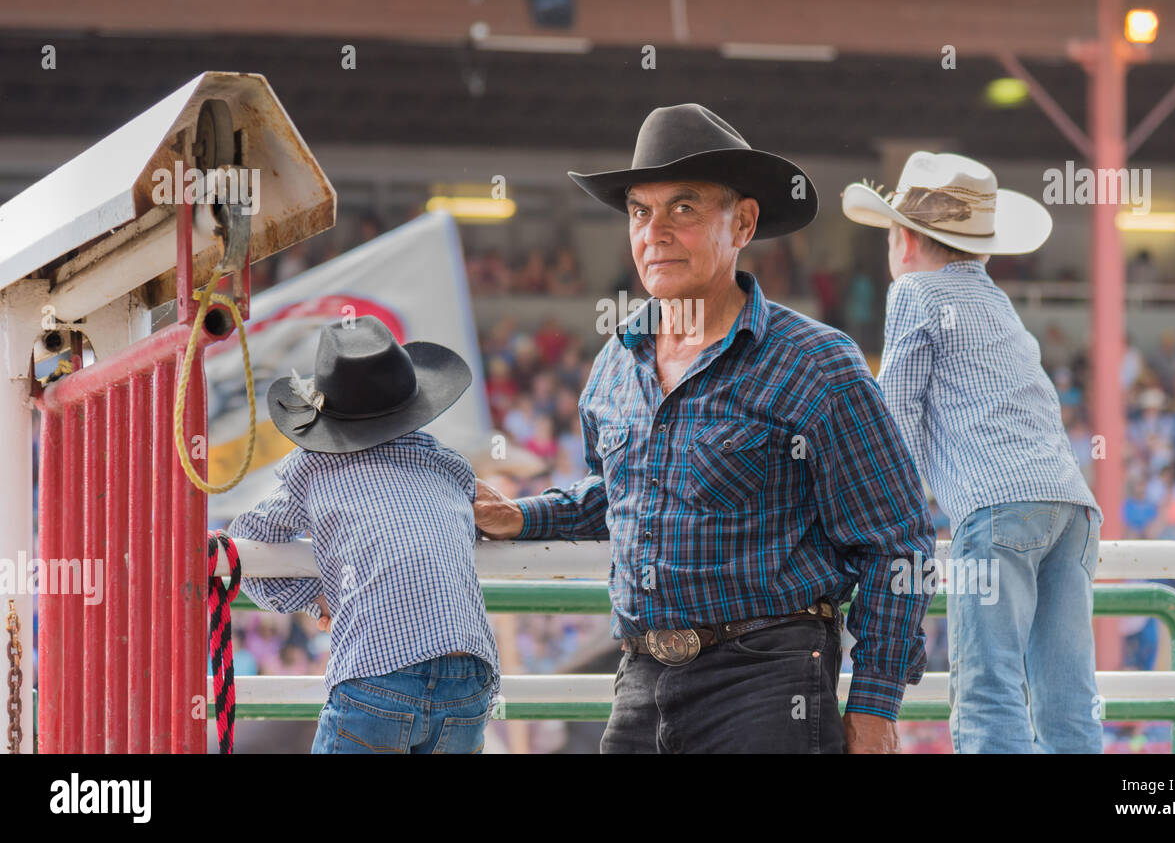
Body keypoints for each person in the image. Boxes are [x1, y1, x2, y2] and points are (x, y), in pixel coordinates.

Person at [474, 103, 935, 753]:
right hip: (638, 681)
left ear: (743, 221)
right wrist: (519, 516)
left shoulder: (815, 363)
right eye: (640, 210)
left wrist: (875, 702)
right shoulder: (616, 362)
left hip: (768, 682)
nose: (654, 231)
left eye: (683, 208)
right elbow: (619, 496)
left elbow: (899, 540)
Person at [843, 151, 1103, 753]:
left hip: (997, 506)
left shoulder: (914, 292)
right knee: (1068, 698)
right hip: (1072, 509)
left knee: (989, 690)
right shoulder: (998, 304)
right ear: (982, 249)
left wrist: (866, 522)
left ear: (903, 240)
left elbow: (896, 418)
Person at [226, 316, 500, 753]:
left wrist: (319, 597)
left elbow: (247, 545)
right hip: (468, 671)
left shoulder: (313, 467)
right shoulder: (449, 467)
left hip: (378, 666)